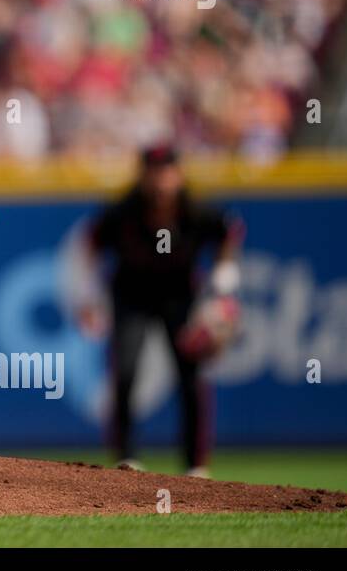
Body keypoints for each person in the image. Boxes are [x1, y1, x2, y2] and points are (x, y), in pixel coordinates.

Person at [80, 145, 244, 477]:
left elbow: (230, 230)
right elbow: (91, 242)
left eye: (167, 172)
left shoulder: (195, 212)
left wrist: (223, 283)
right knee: (125, 373)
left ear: (179, 175)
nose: (160, 182)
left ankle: (196, 464)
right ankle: (127, 457)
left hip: (179, 295)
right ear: (142, 176)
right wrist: (90, 296)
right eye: (154, 173)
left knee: (190, 378)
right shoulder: (123, 214)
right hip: (131, 295)